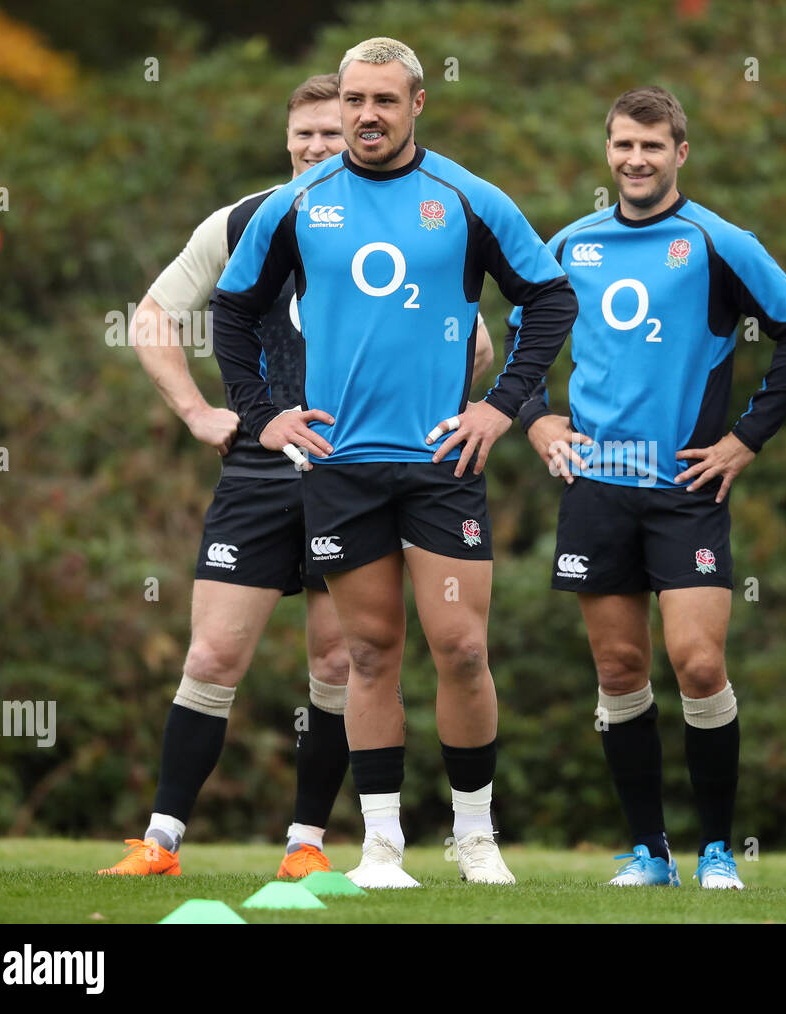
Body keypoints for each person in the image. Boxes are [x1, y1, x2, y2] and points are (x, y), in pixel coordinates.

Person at [99, 72, 496, 880]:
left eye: (333, 132)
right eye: (307, 134)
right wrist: (199, 413)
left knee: (339, 663)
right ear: (288, 139)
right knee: (211, 657)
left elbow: (479, 343)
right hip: (257, 466)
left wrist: (434, 411)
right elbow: (152, 315)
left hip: (355, 469)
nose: (321, 145)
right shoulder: (245, 219)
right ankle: (161, 842)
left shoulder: (401, 216)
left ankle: (306, 845)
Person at [211, 38, 576, 888]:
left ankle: (477, 836)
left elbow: (550, 297)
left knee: (460, 648)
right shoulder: (297, 204)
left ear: (418, 104)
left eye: (384, 99)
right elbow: (232, 312)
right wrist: (263, 418)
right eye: (353, 100)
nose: (366, 115)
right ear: (337, 106)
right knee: (370, 655)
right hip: (338, 467)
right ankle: (381, 846)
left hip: (440, 463)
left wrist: (501, 405)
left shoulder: (467, 198)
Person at [499, 86, 786, 889]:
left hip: (685, 488)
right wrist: (538, 420)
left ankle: (719, 850)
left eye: (652, 146)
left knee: (698, 663)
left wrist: (744, 440)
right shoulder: (571, 242)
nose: (636, 160)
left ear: (680, 153)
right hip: (596, 490)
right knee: (618, 670)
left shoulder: (717, 241)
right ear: (607, 151)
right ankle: (651, 854)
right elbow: (526, 340)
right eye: (623, 146)